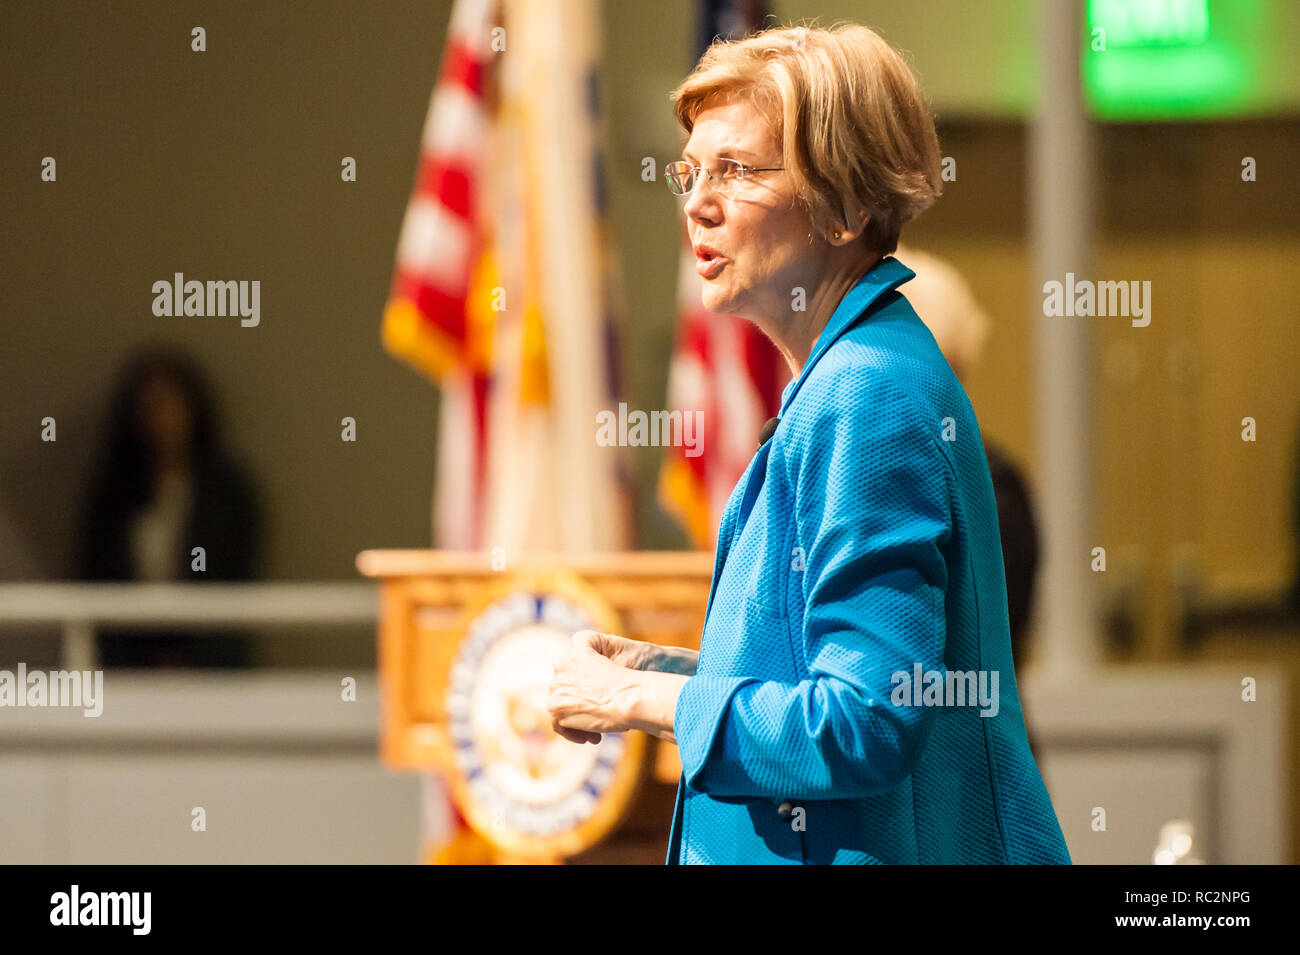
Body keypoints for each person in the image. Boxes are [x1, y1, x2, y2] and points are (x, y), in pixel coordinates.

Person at [548, 22, 1070, 864]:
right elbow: (811, 676)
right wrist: (660, 670)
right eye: (691, 172)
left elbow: (864, 720)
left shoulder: (866, 393)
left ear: (849, 206)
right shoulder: (852, 373)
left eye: (737, 171)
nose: (696, 202)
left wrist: (636, 697)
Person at [74, 345, 262, 667]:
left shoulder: (225, 492)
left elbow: (233, 580)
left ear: (193, 410)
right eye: (149, 408)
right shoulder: (114, 492)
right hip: (130, 661)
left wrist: (192, 660)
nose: (159, 421)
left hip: (210, 663)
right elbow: (98, 575)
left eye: (169, 406)